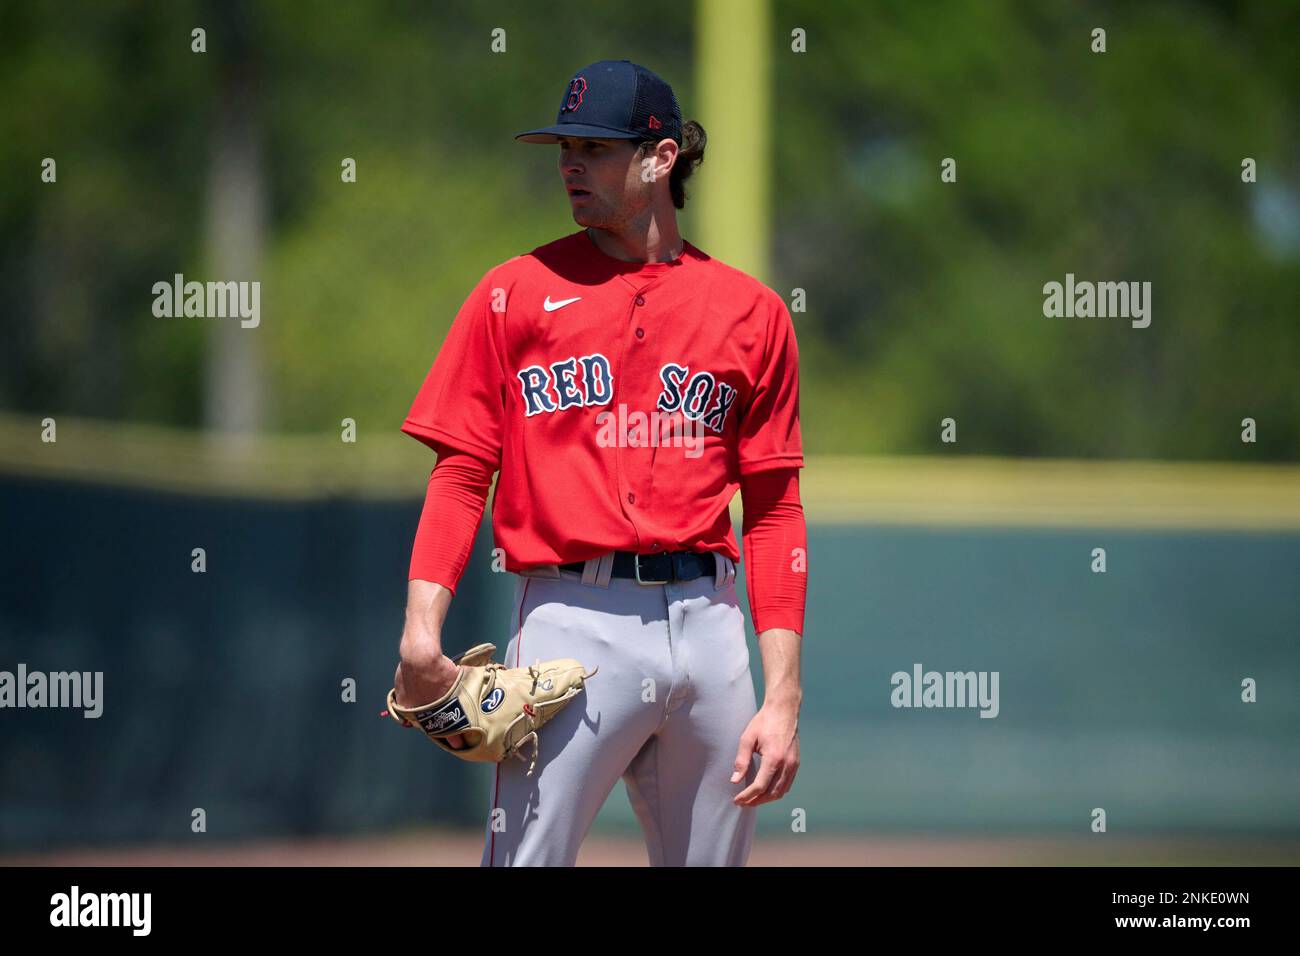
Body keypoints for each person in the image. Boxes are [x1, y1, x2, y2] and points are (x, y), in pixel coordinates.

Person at [392, 59, 807, 866]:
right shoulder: (514, 292)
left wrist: (783, 688)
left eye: (595, 147)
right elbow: (460, 474)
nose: (570, 165)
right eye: (564, 147)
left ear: (660, 159)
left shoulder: (751, 313)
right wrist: (420, 634)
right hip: (572, 622)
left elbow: (775, 509)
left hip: (711, 620)